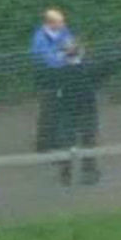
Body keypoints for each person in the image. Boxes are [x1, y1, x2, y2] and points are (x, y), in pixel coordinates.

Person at [50, 36, 121, 185]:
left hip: (65, 109)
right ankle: (88, 172)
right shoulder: (90, 68)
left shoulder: (56, 70)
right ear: (81, 51)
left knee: (67, 140)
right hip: (87, 108)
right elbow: (112, 62)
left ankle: (65, 174)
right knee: (88, 139)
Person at [29, 8, 75, 155]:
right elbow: (51, 61)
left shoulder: (63, 31)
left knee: (62, 107)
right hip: (47, 78)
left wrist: (67, 52)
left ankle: (58, 140)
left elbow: (71, 45)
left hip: (63, 74)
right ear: (50, 24)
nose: (63, 24)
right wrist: (65, 54)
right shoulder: (40, 39)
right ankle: (43, 145)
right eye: (60, 22)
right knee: (48, 109)